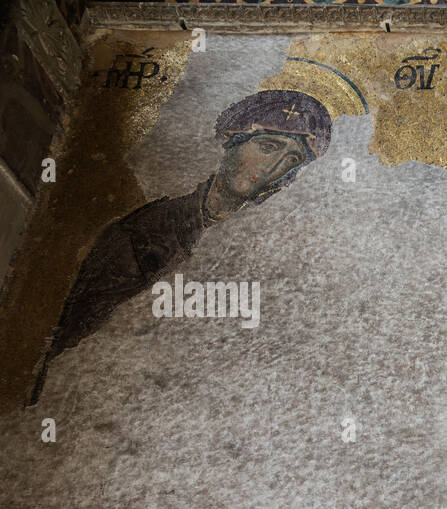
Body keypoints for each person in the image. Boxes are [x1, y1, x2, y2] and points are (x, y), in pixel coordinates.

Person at [29, 89, 332, 404]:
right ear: (234, 142)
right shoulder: (147, 230)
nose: (273, 168)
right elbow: (71, 336)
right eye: (267, 147)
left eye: (291, 160)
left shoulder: (260, 246)